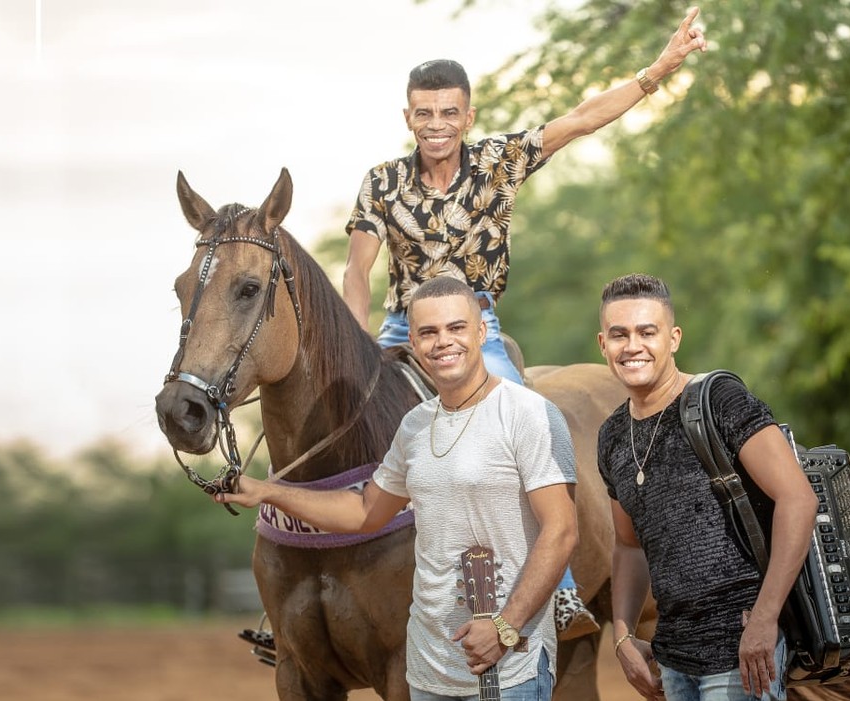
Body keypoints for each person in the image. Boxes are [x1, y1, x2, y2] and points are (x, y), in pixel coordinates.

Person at [342, 8, 707, 633]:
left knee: (527, 424)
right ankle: (302, 596)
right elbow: (357, 272)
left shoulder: (499, 161)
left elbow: (582, 119)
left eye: (448, 112)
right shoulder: (382, 183)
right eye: (424, 113)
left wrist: (660, 68)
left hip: (477, 326)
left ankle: (560, 587)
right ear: (409, 117)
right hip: (404, 326)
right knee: (340, 418)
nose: (436, 125)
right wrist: (354, 349)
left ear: (468, 116)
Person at [216, 277, 579, 700]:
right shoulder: (414, 426)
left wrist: (505, 626)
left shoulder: (530, 414)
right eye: (429, 332)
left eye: (456, 328)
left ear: (481, 331)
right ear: (414, 341)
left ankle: (569, 597)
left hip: (508, 667)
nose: (443, 342)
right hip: (427, 673)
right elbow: (366, 511)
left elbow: (561, 531)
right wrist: (267, 492)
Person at [594, 273, 819, 701]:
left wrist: (764, 619)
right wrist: (622, 636)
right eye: (619, 335)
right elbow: (629, 546)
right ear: (602, 345)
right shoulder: (612, 437)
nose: (633, 346)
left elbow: (798, 499)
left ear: (673, 338)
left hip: (743, 654)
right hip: (673, 660)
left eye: (647, 332)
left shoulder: (719, 400)